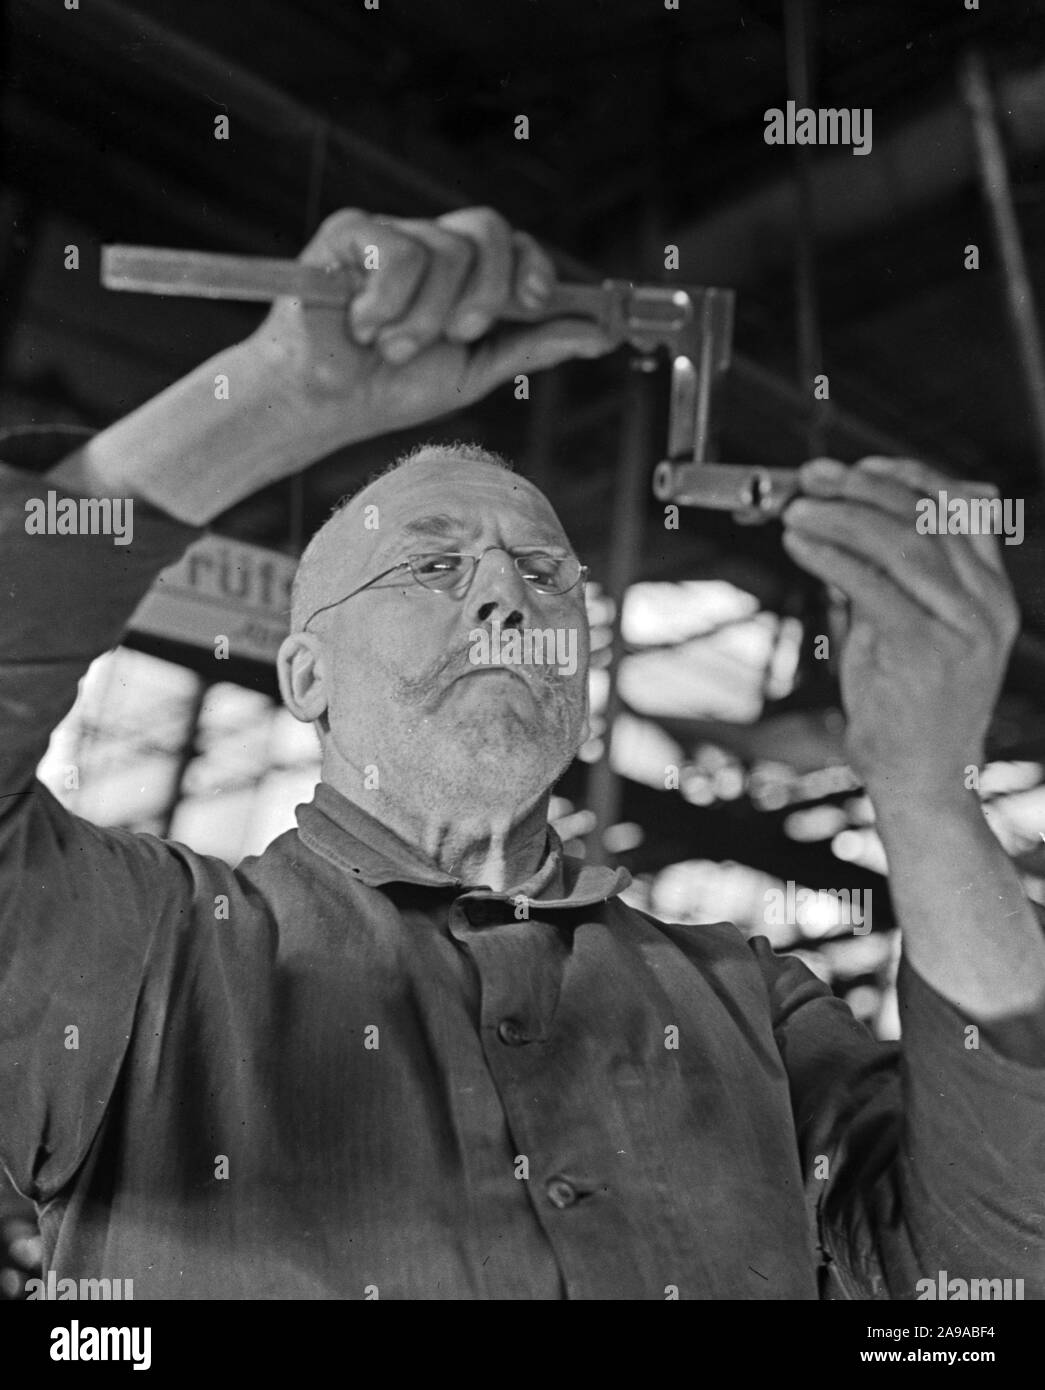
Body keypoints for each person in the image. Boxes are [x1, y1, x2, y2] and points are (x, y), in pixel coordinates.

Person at [1, 207, 1042, 1301]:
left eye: (546, 577)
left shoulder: (749, 1003)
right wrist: (273, 397)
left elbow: (980, 1274)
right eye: (434, 570)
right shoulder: (145, 951)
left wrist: (925, 788)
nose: (507, 593)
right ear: (305, 674)